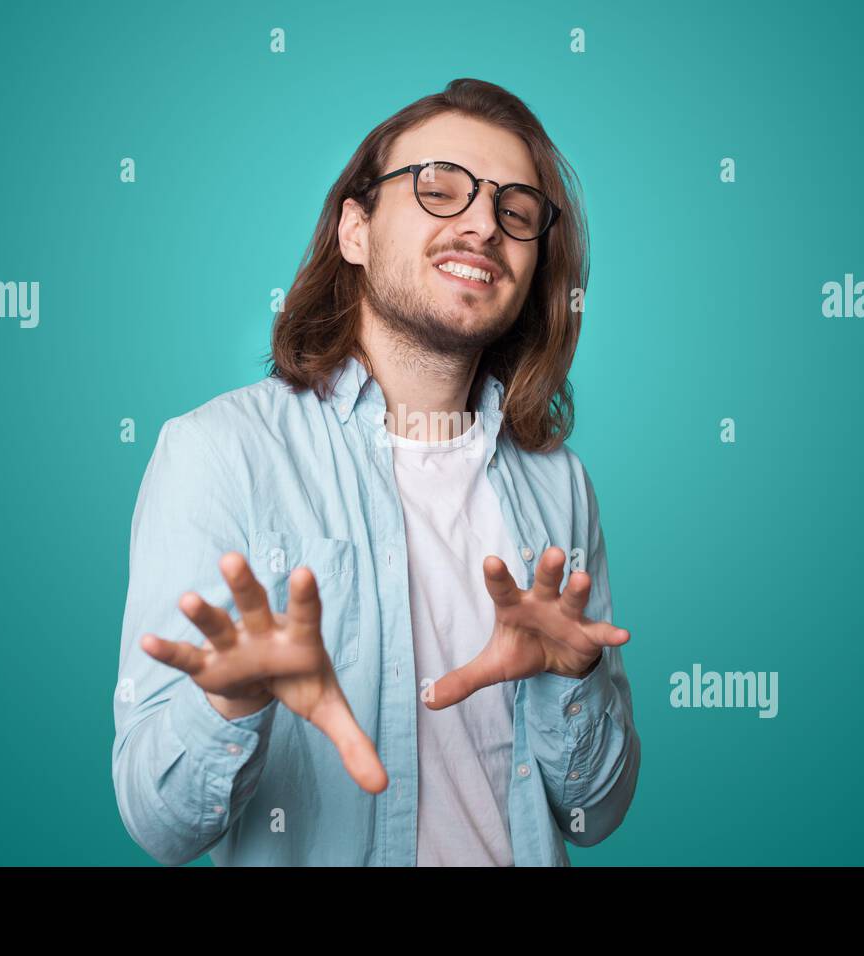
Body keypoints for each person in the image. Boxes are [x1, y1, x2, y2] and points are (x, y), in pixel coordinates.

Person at [112, 78, 640, 866]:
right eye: (440, 188)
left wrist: (577, 678)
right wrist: (229, 700)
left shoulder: (559, 485)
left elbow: (596, 817)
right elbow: (160, 825)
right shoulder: (217, 452)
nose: (481, 225)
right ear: (354, 229)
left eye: (516, 210)